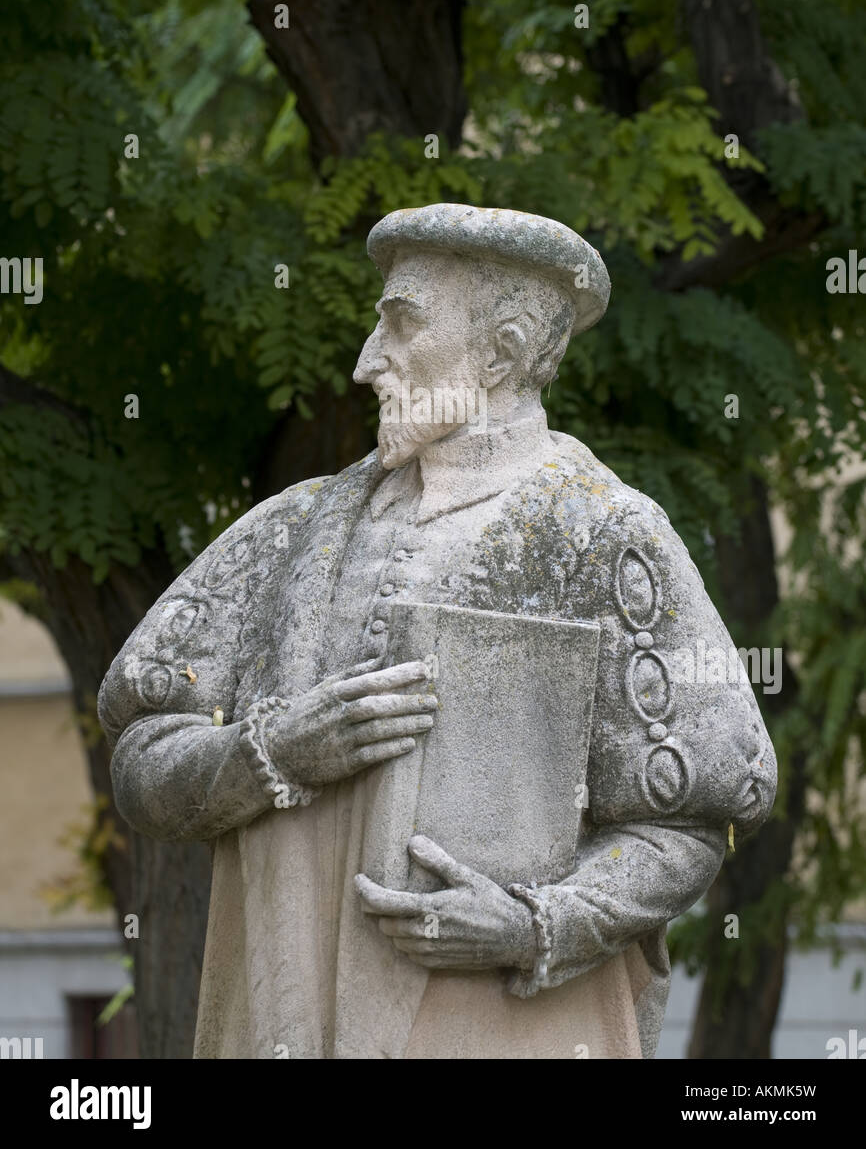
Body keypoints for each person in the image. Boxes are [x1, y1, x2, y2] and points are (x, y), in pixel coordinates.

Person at [98, 203, 776, 1059]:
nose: (366, 362)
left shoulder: (606, 536)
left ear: (501, 352)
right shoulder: (289, 531)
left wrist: (535, 925)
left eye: (401, 323)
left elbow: (693, 821)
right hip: (283, 1015)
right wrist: (269, 754)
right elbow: (143, 757)